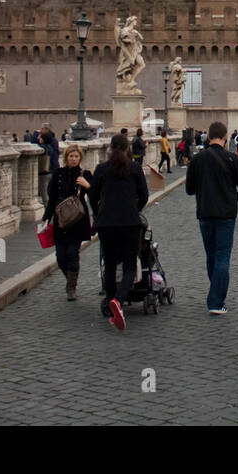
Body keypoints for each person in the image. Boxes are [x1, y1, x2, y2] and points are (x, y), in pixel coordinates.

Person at [185, 121, 238, 315]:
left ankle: (216, 292)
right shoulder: (231, 159)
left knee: (211, 255)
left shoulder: (197, 159)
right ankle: (216, 300)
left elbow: (189, 189)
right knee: (222, 256)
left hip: (205, 212)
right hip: (226, 214)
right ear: (224, 137)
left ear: (209, 136)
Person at [87, 134, 149, 331]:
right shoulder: (135, 168)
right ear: (127, 148)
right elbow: (144, 195)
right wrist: (135, 209)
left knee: (110, 265)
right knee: (130, 266)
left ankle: (110, 299)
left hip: (106, 224)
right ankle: (118, 301)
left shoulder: (101, 169)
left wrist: (99, 214)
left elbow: (93, 195)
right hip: (129, 223)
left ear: (111, 148)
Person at [43, 144, 93, 300]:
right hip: (60, 220)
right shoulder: (58, 174)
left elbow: (97, 194)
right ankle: (70, 280)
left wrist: (88, 186)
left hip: (78, 220)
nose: (73, 159)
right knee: (60, 256)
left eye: (76, 156)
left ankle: (71, 288)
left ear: (80, 158)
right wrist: (46, 218)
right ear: (66, 158)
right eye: (71, 156)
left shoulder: (86, 174)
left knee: (72, 253)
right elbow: (51, 199)